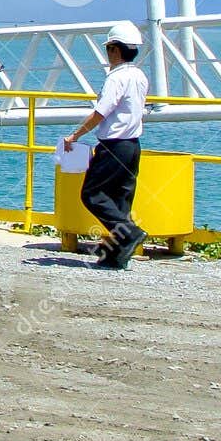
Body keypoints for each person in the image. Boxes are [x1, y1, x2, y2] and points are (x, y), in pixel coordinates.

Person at [58, 19, 149, 269]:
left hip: (113, 146)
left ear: (116, 49)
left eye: (108, 48)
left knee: (92, 194)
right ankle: (116, 255)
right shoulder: (139, 76)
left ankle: (130, 233)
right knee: (120, 200)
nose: (107, 53)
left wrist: (75, 135)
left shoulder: (116, 78)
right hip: (132, 145)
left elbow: (101, 112)